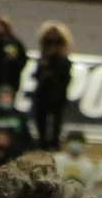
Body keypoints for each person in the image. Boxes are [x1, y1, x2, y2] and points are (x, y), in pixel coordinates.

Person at [30, 22, 73, 152]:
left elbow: (66, 77)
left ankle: (54, 142)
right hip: (43, 93)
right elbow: (37, 75)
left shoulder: (63, 60)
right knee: (42, 119)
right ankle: (43, 141)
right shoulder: (43, 57)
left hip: (57, 94)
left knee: (56, 120)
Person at [0, 16, 28, 106]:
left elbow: (23, 59)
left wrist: (16, 66)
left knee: (10, 103)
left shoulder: (15, 42)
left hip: (12, 79)